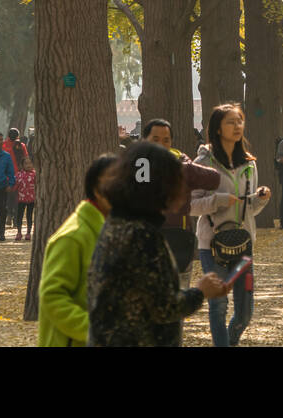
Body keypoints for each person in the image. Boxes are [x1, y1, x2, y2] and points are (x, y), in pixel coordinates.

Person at [88, 142, 228, 346]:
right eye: (178, 184)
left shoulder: (116, 225)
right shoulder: (143, 237)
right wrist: (200, 291)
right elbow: (164, 307)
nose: (182, 193)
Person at [192, 102, 271, 347]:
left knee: (245, 311)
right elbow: (191, 205)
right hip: (212, 245)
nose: (237, 126)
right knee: (218, 304)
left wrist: (261, 199)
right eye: (230, 122)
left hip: (243, 243)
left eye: (239, 121)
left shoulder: (249, 164)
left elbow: (251, 209)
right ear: (217, 128)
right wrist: (219, 200)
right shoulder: (203, 164)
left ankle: (231, 340)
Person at [38, 154, 118, 346]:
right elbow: (52, 296)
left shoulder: (113, 233)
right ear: (97, 189)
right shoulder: (73, 237)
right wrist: (96, 330)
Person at [143, 118, 221, 287]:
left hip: (179, 240)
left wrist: (183, 172)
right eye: (155, 140)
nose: (161, 145)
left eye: (166, 140)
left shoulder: (182, 163)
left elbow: (214, 179)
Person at [13, 155, 37, 241]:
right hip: (21, 199)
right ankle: (19, 232)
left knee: (29, 216)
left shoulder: (35, 174)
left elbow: (38, 186)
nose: (28, 165)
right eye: (26, 163)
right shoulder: (19, 175)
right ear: (22, 165)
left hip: (31, 199)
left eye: (30, 163)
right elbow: (15, 185)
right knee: (19, 215)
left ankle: (28, 232)